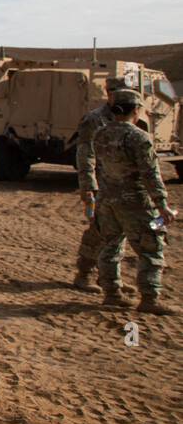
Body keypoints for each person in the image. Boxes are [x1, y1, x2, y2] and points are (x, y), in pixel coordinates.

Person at [93, 88, 177, 313]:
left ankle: (112, 294)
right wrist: (162, 206)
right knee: (151, 248)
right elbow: (151, 174)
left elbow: (99, 168)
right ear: (137, 111)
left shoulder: (100, 134)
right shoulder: (138, 137)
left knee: (110, 246)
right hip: (135, 203)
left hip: (107, 201)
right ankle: (149, 299)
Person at [72, 76, 127, 290]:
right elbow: (85, 154)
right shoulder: (95, 119)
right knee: (97, 229)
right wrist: (88, 185)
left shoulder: (127, 115)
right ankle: (84, 274)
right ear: (109, 93)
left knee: (119, 232)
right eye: (117, 92)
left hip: (123, 184)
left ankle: (111, 277)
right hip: (101, 185)